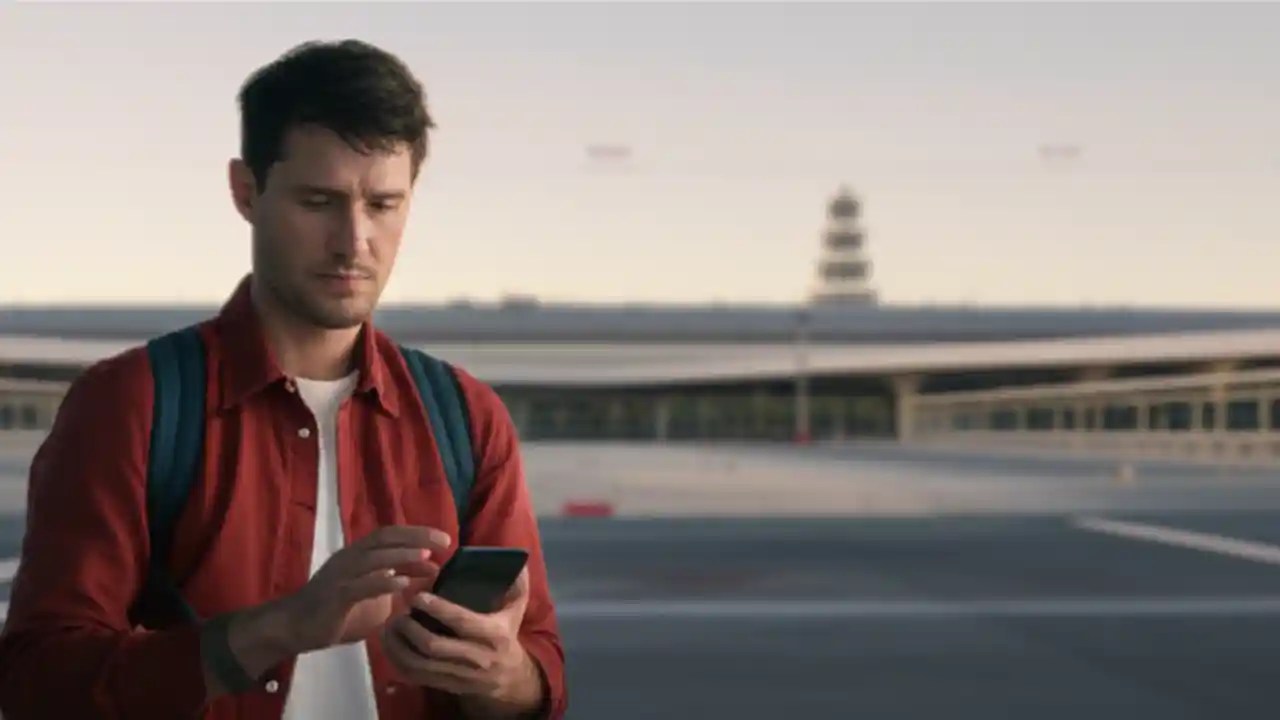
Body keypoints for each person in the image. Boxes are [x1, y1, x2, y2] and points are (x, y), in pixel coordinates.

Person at [0, 39, 567, 720]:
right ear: (246, 192)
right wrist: (281, 627)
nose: (353, 241)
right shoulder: (130, 404)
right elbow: (37, 684)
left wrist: (501, 677)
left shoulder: (468, 418)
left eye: (384, 204)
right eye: (319, 201)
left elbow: (540, 676)